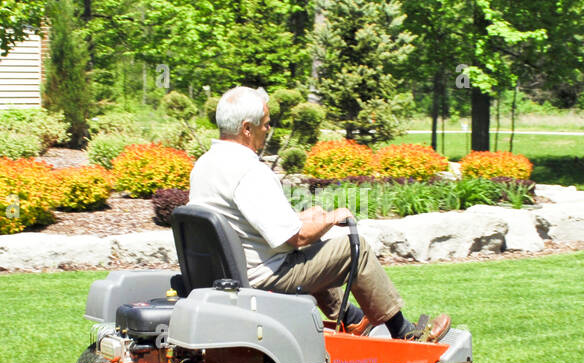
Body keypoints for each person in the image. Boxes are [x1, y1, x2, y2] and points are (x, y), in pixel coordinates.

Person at [189, 85, 450, 342]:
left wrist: (308, 218)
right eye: (266, 124)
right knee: (352, 250)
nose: (268, 130)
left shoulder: (205, 164)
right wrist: (330, 217)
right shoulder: (248, 170)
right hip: (263, 279)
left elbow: (255, 225)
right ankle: (407, 334)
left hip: (230, 275)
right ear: (247, 128)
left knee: (317, 253)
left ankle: (352, 318)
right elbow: (298, 238)